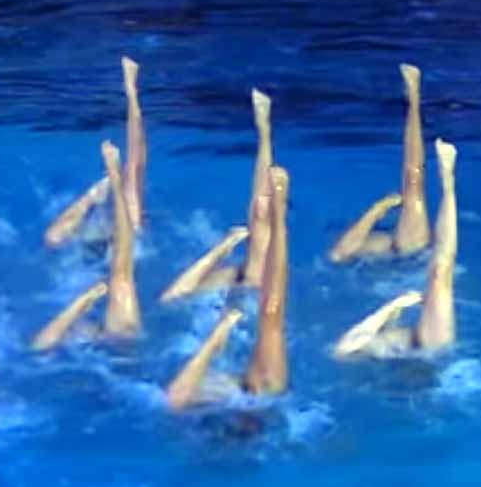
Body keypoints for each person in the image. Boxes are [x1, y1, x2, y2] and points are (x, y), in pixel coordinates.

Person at [165, 166, 290, 410]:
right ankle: (279, 218)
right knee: (271, 315)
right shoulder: (255, 392)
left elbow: (174, 398)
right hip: (260, 392)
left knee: (270, 315)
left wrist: (218, 336)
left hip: (250, 390)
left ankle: (278, 217)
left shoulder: (221, 394)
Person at [330, 139, 457, 360]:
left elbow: (344, 347)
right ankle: (447, 185)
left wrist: (395, 306)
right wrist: (393, 306)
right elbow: (342, 350)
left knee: (441, 271)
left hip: (426, 349)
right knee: (439, 271)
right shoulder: (388, 345)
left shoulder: (389, 342)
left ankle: (448, 184)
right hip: (428, 352)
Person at [159, 89, 274, 302]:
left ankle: (264, 135)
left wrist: (223, 247)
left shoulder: (243, 278)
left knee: (261, 213)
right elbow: (171, 297)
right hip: (245, 301)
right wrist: (224, 247)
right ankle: (264, 134)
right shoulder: (248, 279)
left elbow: (171, 297)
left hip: (234, 304)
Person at [31, 140, 142, 350]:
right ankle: (109, 186)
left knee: (52, 239)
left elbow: (38, 347)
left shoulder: (91, 339)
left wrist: (84, 301)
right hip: (119, 345)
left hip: (103, 335)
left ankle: (96, 194)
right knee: (123, 272)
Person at [327, 64, 430, 262]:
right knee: (413, 183)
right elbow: (336, 256)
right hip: (409, 255)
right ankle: (414, 101)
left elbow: (337, 256)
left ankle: (414, 101)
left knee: (414, 182)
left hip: (409, 257)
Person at [43, 57, 147, 247]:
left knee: (53, 239)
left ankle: (97, 191)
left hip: (98, 250)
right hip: (113, 247)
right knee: (133, 210)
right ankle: (132, 93)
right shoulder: (132, 232)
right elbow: (136, 164)